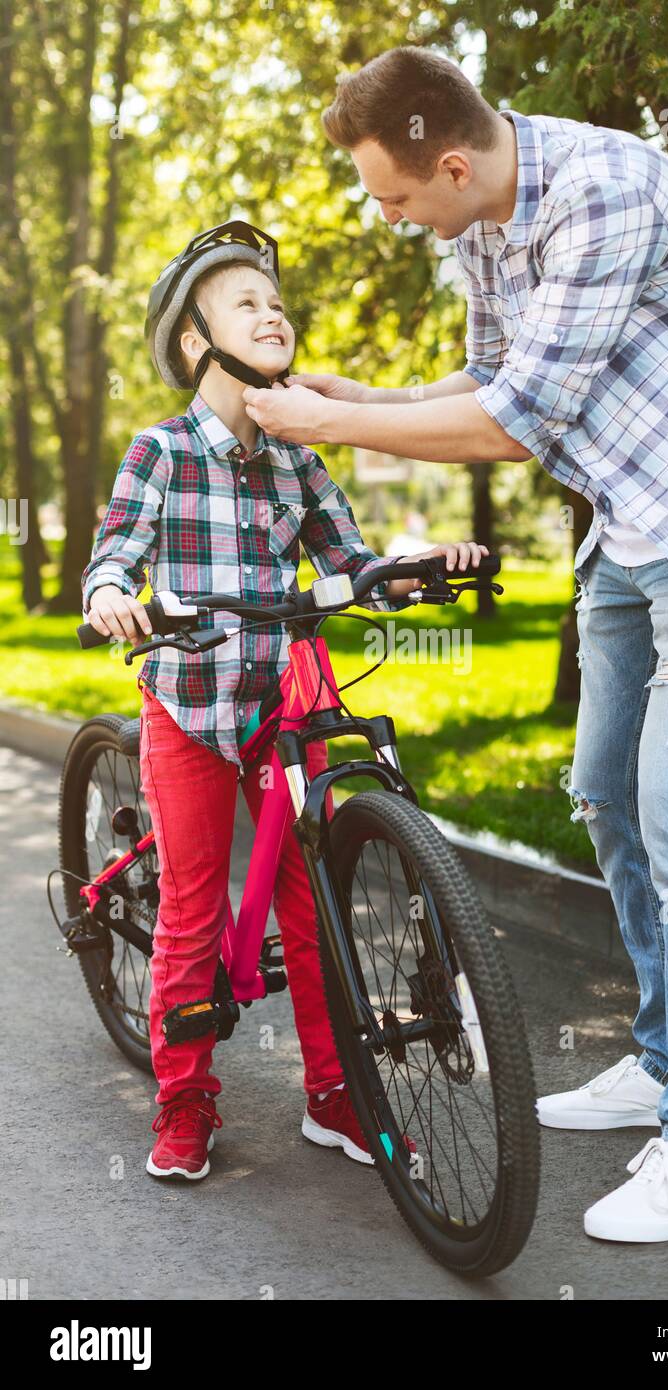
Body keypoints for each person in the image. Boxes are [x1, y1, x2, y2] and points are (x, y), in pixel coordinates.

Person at [241, 49, 668, 1242]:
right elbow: (490, 372)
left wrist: (338, 425)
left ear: (452, 164)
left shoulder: (610, 192)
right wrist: (377, 395)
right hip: (631, 521)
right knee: (604, 793)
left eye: (395, 198)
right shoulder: (482, 224)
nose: (388, 216)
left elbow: (516, 424)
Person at [81, 219, 487, 1181]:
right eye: (246, 303)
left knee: (313, 907)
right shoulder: (162, 451)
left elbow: (351, 562)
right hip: (189, 702)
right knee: (189, 906)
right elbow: (117, 552)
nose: (273, 314)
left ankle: (333, 1092)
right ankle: (183, 1104)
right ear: (197, 340)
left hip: (283, 711)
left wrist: (411, 567)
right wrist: (109, 597)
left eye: (277, 302)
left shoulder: (300, 455)